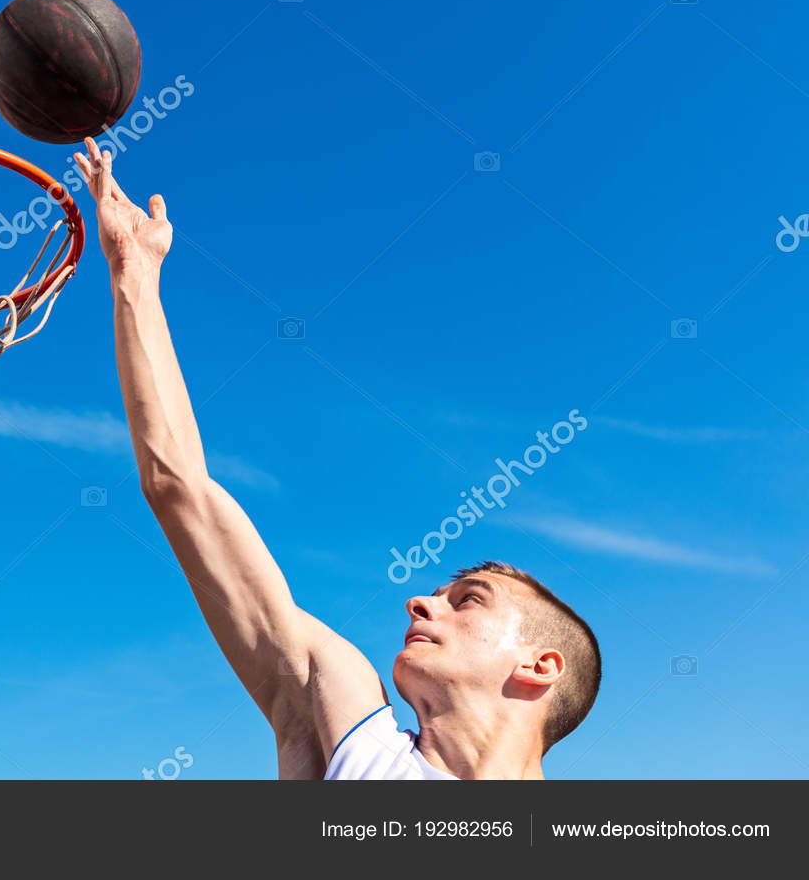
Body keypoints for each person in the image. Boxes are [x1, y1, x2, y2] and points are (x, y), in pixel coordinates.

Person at [73, 138, 602, 780]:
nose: (419, 603)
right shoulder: (351, 732)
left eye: (467, 600)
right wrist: (133, 272)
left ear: (539, 666)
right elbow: (178, 487)